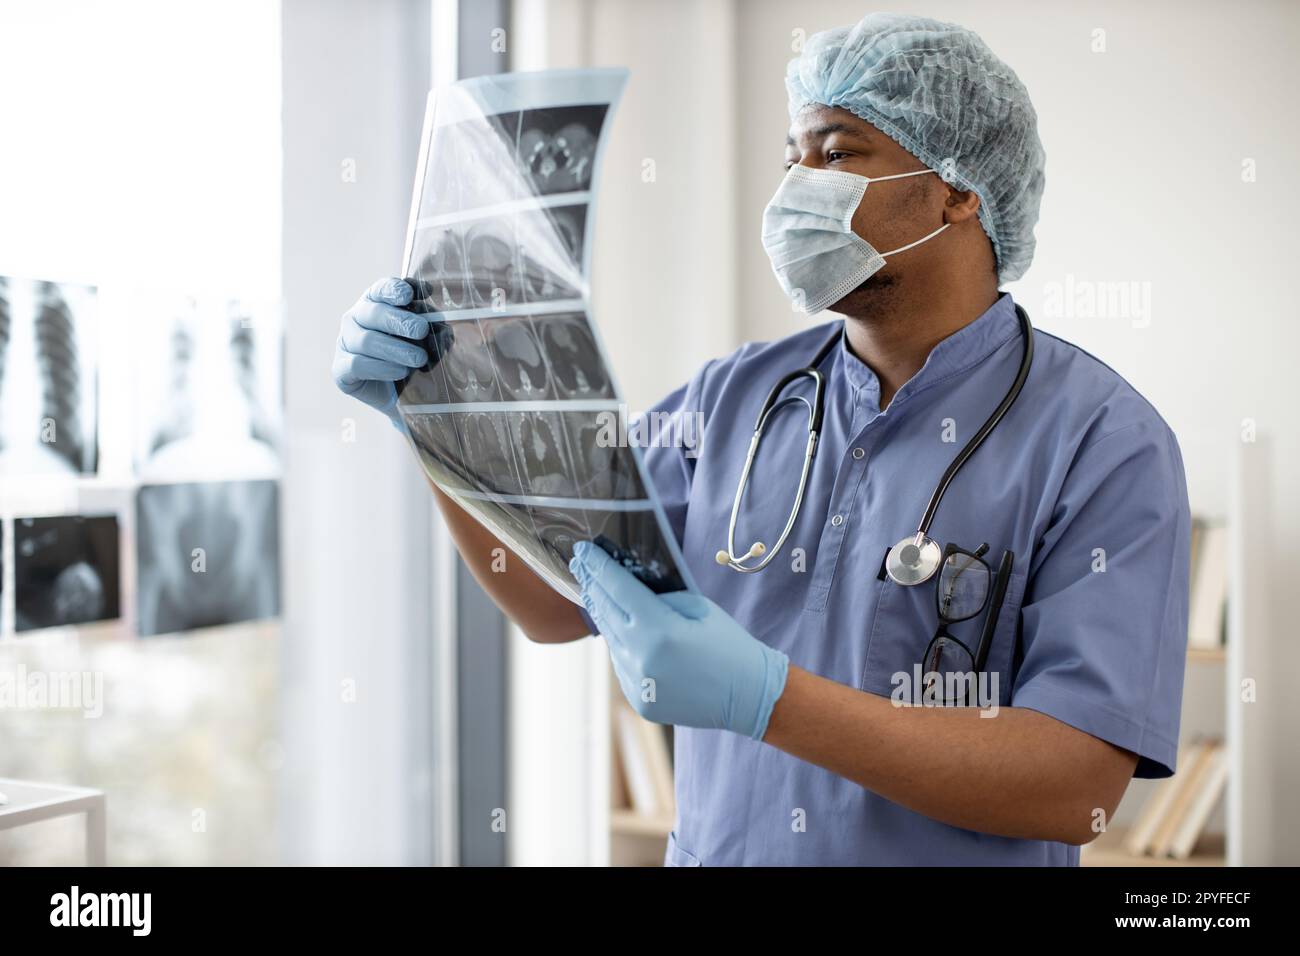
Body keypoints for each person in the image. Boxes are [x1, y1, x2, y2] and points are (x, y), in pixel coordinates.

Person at [333, 13, 1190, 865]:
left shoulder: (1105, 444)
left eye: (838, 153)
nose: (795, 187)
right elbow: (556, 602)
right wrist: (437, 425)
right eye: (794, 157)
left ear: (960, 190)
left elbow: (1075, 790)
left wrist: (767, 701)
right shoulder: (731, 397)